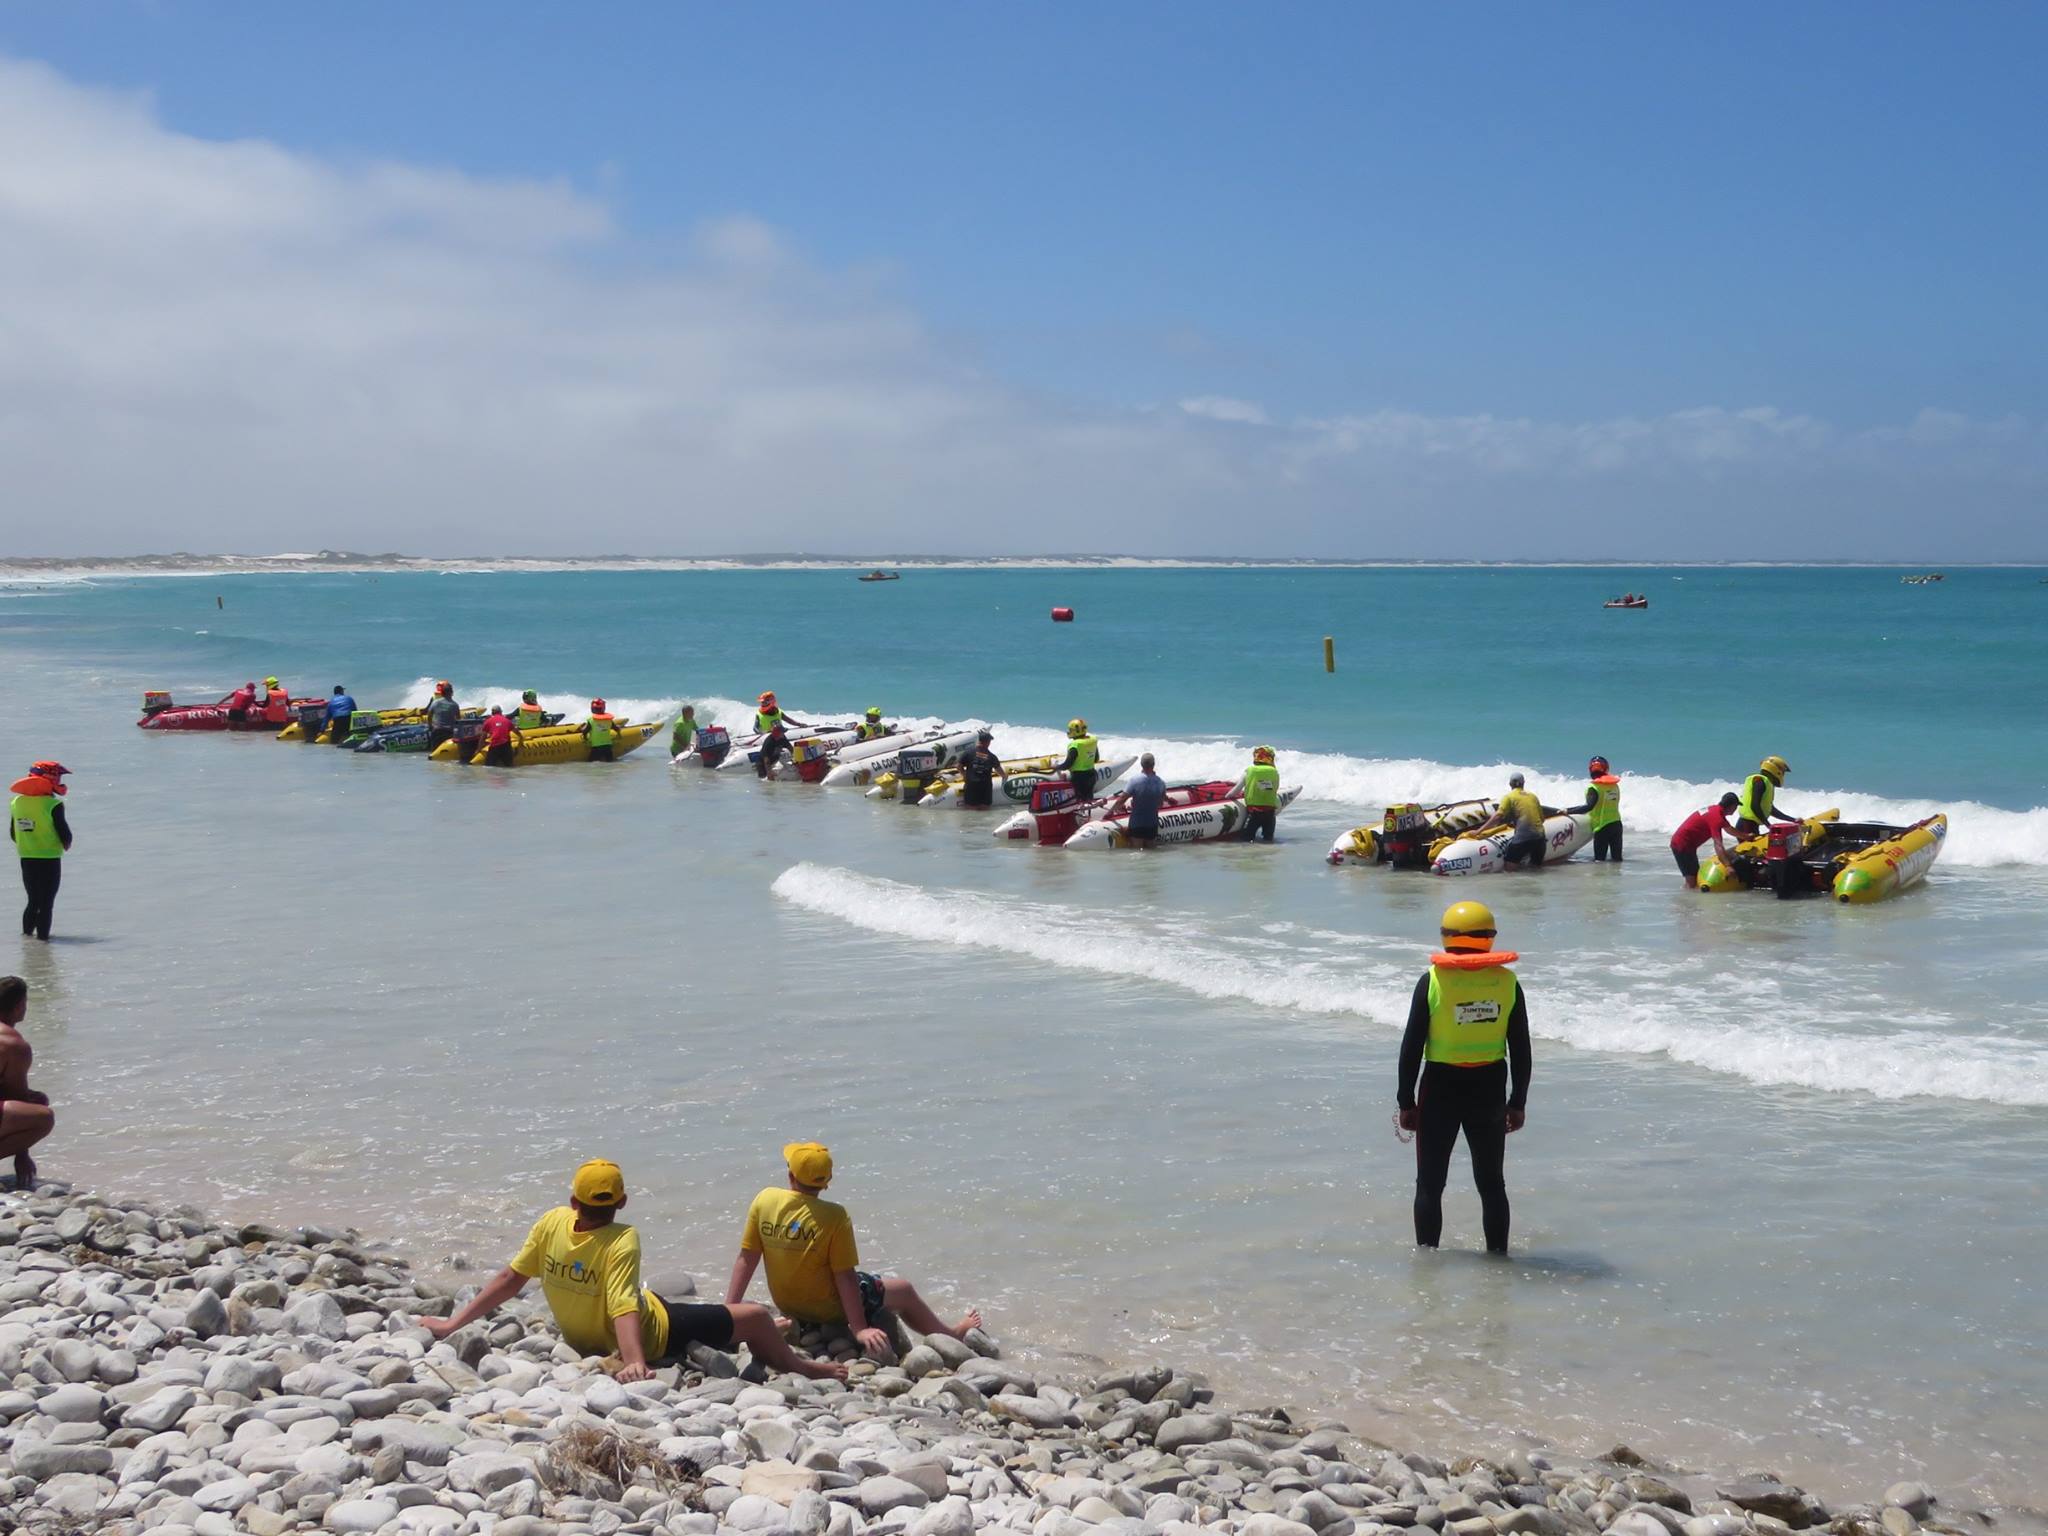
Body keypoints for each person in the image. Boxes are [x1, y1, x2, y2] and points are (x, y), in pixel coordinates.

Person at [415, 1159, 846, 1384]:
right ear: (622, 1203)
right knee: (751, 1316)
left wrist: (454, 1323)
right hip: (653, 1332)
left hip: (589, 1334)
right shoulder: (622, 1238)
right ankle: (799, 1364)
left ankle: (774, 1326)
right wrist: (636, 1362)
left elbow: (510, 1279)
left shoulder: (551, 1222)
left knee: (690, 1309)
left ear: (573, 1202)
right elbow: (624, 1305)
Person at [727, 1143, 982, 1362]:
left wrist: (729, 1310)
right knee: (902, 1289)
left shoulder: (764, 1199)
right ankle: (952, 1335)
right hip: (828, 1309)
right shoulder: (834, 1216)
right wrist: (859, 1328)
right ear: (826, 1183)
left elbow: (747, 1258)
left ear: (790, 1175)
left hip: (788, 1303)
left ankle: (799, 1323)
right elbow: (845, 1277)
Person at [1396, 901, 1531, 1255]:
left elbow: (1411, 1047)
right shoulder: (1508, 982)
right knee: (1491, 1184)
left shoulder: (1432, 982)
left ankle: (1426, 1266)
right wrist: (1517, 1102)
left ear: (1445, 937)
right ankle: (1499, 1261)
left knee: (1429, 1185)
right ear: (1490, 938)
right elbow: (1521, 1049)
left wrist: (1405, 1103)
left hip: (1439, 1089)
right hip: (1489, 1089)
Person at [0, 976, 53, 1191]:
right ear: (20, 1005)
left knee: (36, 1099)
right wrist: (22, 1154)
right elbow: (17, 1095)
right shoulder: (13, 1044)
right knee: (43, 1115)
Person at [10, 762, 72, 942]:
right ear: (50, 780)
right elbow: (64, 832)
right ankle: (43, 941)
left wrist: (28, 843)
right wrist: (67, 843)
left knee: (33, 900)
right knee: (46, 903)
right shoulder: (53, 804)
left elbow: (13, 833)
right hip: (49, 858)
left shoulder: (17, 802)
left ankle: (27, 939)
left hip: (27, 856)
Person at [1671, 792, 1742, 888]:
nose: (1736, 809)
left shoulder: (1715, 811)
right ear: (1732, 806)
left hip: (1685, 843)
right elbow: (1718, 845)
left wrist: (1746, 836)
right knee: (1692, 881)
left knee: (1694, 878)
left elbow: (1729, 829)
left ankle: (1687, 898)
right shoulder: (1717, 818)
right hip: (1682, 844)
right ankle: (1686, 900)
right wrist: (1728, 866)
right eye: (1736, 806)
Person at [1478, 773, 1549, 868]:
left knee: (1509, 870)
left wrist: (1478, 831)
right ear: (1523, 783)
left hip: (1523, 839)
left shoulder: (1509, 797)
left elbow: (1498, 816)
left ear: (1510, 784)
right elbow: (1542, 819)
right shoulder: (1533, 796)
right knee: (1536, 870)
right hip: (1540, 839)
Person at [1571, 755, 1623, 862]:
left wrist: (1567, 811)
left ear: (1590, 770)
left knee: (1599, 862)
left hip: (1602, 827)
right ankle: (1617, 878)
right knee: (1617, 860)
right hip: (1616, 825)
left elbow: (1589, 807)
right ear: (1606, 769)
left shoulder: (1594, 788)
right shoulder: (1614, 785)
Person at [1735, 755, 1797, 839]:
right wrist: (1768, 824)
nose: (1783, 774)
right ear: (1776, 770)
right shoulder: (1760, 781)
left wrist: (1793, 820)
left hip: (1749, 825)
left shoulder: (1766, 783)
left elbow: (1770, 809)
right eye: (1783, 772)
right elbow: (1754, 805)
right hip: (1746, 826)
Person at [1122, 752, 1166, 847]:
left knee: (1137, 853)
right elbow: (1160, 804)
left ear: (1141, 764)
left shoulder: (1134, 780)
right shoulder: (1160, 782)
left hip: (1137, 824)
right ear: (1153, 764)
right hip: (1152, 824)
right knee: (1150, 854)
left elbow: (1121, 799)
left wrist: (1110, 812)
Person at [1239, 745, 1281, 842]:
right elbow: (1274, 789)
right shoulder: (1274, 772)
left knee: (1246, 840)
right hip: (1270, 814)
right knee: (1268, 840)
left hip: (1254, 814)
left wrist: (1227, 797)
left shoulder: (1250, 770)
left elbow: (1237, 790)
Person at [957, 730, 1001, 809]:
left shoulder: (968, 753)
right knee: (984, 810)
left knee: (970, 810)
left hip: (971, 785)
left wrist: (964, 775)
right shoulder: (991, 756)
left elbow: (959, 766)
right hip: (985, 786)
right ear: (987, 742)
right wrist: (1005, 776)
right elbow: (999, 770)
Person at [1061, 719, 1100, 802]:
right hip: (1091, 775)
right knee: (1089, 799)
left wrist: (1056, 767)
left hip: (1079, 778)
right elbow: (1096, 759)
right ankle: (1090, 812)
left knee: (1079, 800)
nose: (1069, 732)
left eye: (1070, 730)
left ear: (1075, 731)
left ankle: (1080, 813)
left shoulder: (1075, 745)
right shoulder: (1092, 740)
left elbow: (1067, 765)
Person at [425, 681, 461, 752]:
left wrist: (430, 726)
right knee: (445, 753)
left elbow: (429, 715)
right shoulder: (454, 705)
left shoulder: (435, 702)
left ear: (442, 693)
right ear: (451, 693)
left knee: (434, 752)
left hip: (437, 731)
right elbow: (458, 721)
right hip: (449, 732)